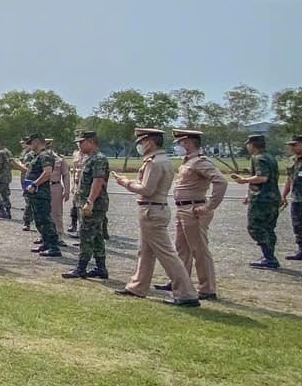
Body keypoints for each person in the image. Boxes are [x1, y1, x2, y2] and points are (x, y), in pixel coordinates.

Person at [112, 127, 200, 306]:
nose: (141, 146)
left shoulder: (154, 162)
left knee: (167, 254)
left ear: (149, 142)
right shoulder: (161, 160)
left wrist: (126, 183)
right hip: (153, 209)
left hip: (152, 210)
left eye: (142, 142)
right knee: (145, 252)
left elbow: (147, 189)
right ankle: (137, 286)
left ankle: (186, 293)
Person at [158, 128, 229, 301]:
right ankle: (180, 281)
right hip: (183, 209)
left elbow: (220, 181)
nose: (178, 146)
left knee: (199, 250)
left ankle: (207, 288)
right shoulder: (188, 161)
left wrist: (209, 206)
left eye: (180, 143)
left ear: (188, 143)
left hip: (194, 210)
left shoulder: (199, 162)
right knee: (182, 249)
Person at [62, 130, 110, 279]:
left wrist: (90, 201)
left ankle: (81, 268)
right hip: (88, 202)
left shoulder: (98, 159)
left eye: (81, 142)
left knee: (86, 235)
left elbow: (98, 181)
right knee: (96, 237)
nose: (79, 145)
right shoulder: (90, 158)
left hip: (94, 204)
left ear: (90, 142)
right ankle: (101, 268)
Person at [231, 134, 281, 268]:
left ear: (252, 145)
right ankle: (269, 256)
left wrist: (244, 180)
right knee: (269, 228)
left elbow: (262, 177)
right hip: (272, 197)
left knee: (256, 227)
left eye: (248, 144)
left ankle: (269, 257)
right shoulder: (270, 157)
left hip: (262, 199)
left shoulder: (259, 158)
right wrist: (249, 193)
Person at [22, 134, 63, 257]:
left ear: (37, 141)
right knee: (39, 220)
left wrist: (34, 184)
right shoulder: (38, 156)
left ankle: (54, 247)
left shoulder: (45, 155)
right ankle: (46, 243)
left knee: (45, 220)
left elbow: (47, 173)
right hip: (35, 194)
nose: (30, 145)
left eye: (31, 142)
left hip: (41, 193)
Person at [46, 138, 70, 238]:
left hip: (55, 186)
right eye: (46, 144)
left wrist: (67, 190)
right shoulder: (39, 157)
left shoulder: (59, 158)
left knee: (56, 212)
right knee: (42, 212)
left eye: (50, 144)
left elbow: (66, 174)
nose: (48, 146)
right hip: (43, 187)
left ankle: (58, 235)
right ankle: (44, 235)